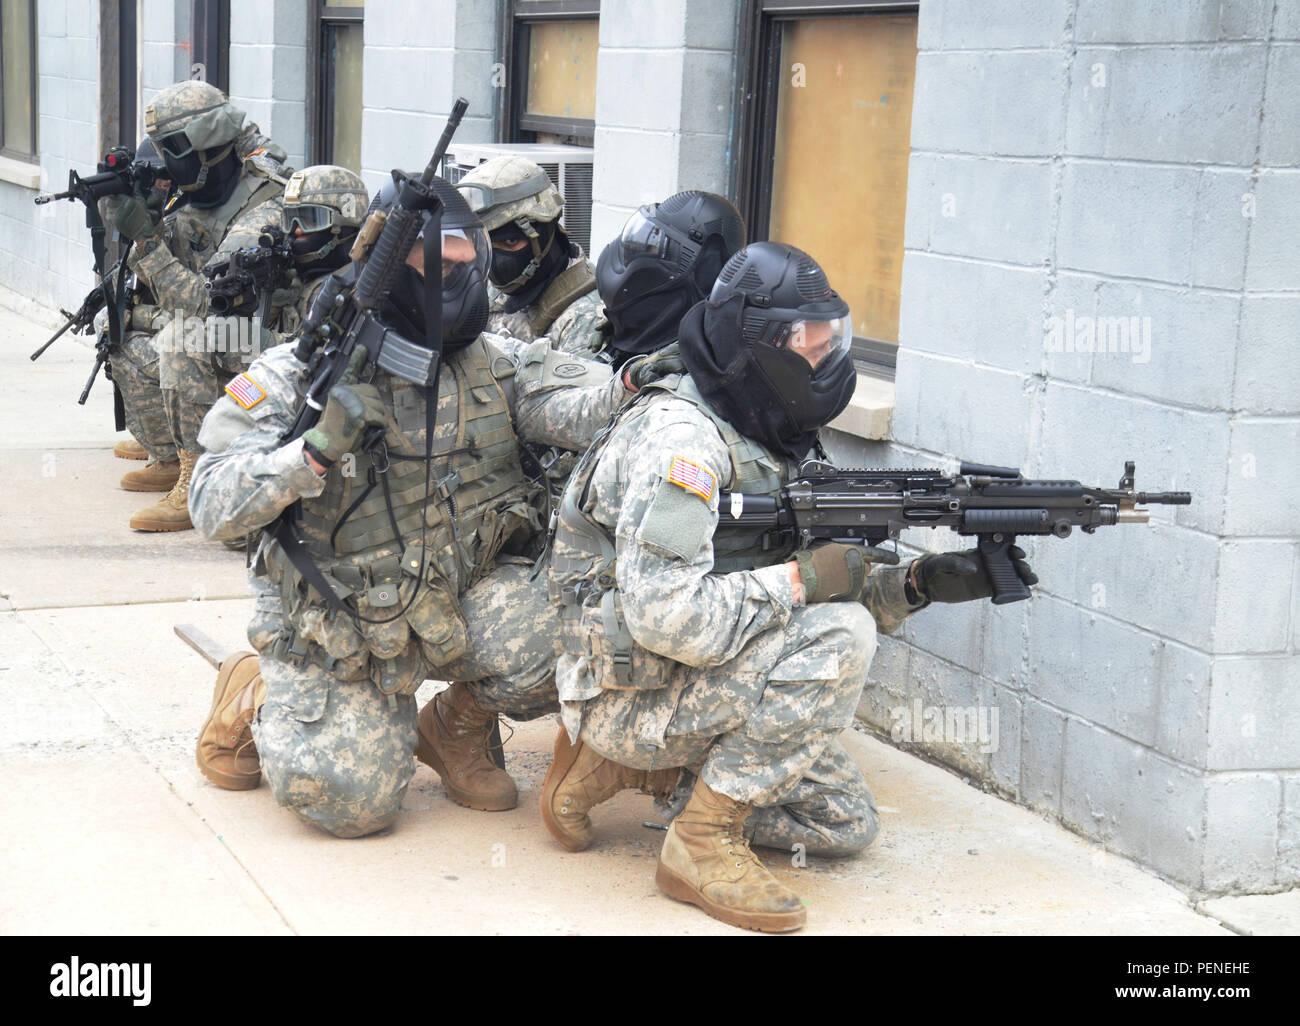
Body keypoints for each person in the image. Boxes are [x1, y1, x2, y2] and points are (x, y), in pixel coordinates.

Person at [541, 242, 1039, 931]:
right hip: (628, 684)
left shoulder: (767, 426)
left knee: (843, 824)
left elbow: (806, 577)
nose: (829, 359)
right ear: (759, 344)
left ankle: (635, 772)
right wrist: (808, 579)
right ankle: (700, 840)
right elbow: (669, 619)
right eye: (813, 343)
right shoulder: (683, 445)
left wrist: (919, 584)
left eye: (833, 339)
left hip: (693, 674)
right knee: (842, 637)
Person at [188, 174, 658, 836]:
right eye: (436, 261)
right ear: (390, 269)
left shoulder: (500, 364)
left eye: (469, 258)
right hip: (342, 619)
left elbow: (585, 403)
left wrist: (641, 381)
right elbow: (208, 504)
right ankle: (256, 691)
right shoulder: (296, 373)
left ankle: (454, 728)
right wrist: (312, 453)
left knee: (591, 631)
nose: (458, 275)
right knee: (347, 805)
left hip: (450, 597)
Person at [102, 79, 294, 532]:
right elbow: (168, 278)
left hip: (273, 342)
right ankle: (171, 456)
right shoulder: (198, 195)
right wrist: (150, 223)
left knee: (181, 340)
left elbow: (208, 310)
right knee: (118, 330)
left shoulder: (262, 207)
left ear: (209, 146)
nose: (167, 163)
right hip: (229, 336)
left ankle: (200, 477)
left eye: (175, 150)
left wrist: (147, 242)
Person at [455, 156, 603, 352]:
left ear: (545, 233)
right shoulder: (485, 286)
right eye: (482, 245)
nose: (495, 260)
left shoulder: (587, 318)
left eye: (510, 242)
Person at [589, 190, 745, 366]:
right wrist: (622, 335)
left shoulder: (694, 363)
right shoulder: (657, 332)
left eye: (652, 248)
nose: (635, 255)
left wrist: (629, 380)